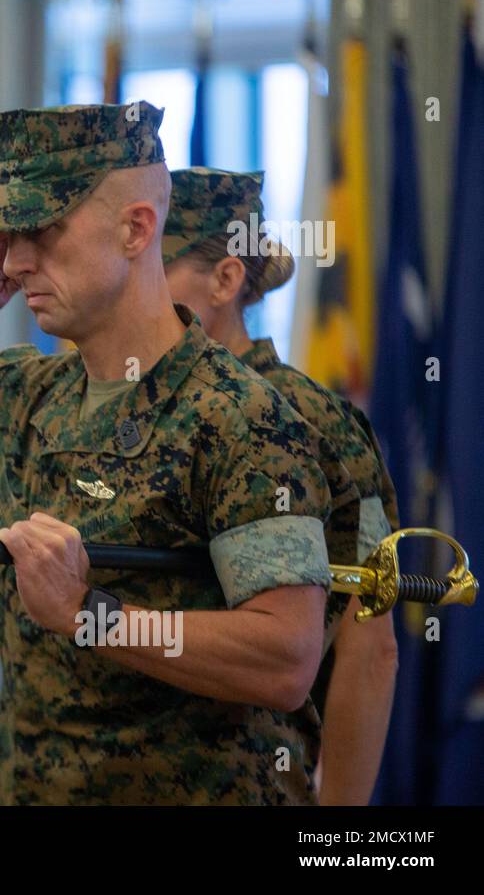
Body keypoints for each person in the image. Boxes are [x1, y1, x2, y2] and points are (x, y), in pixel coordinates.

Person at [0, 102, 358, 804]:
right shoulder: (22, 393)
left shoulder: (241, 418)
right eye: (8, 236)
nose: (13, 261)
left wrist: (87, 615)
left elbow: (285, 658)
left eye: (40, 231)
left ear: (136, 228)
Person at [161, 167, 399, 805]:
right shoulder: (121, 399)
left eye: (156, 268)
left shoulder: (309, 419)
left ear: (227, 279)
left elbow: (369, 643)